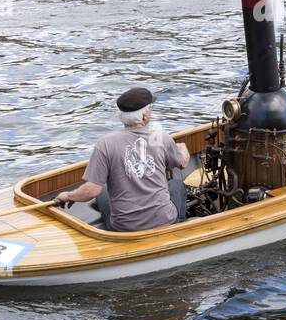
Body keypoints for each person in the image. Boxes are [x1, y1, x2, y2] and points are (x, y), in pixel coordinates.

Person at [56, 87, 190, 232]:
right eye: (150, 109)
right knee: (176, 184)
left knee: (103, 191)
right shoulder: (161, 137)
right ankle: (178, 223)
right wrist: (183, 149)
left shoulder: (105, 143)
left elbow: (92, 190)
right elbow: (183, 163)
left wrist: (68, 196)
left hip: (125, 227)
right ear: (145, 116)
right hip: (163, 220)